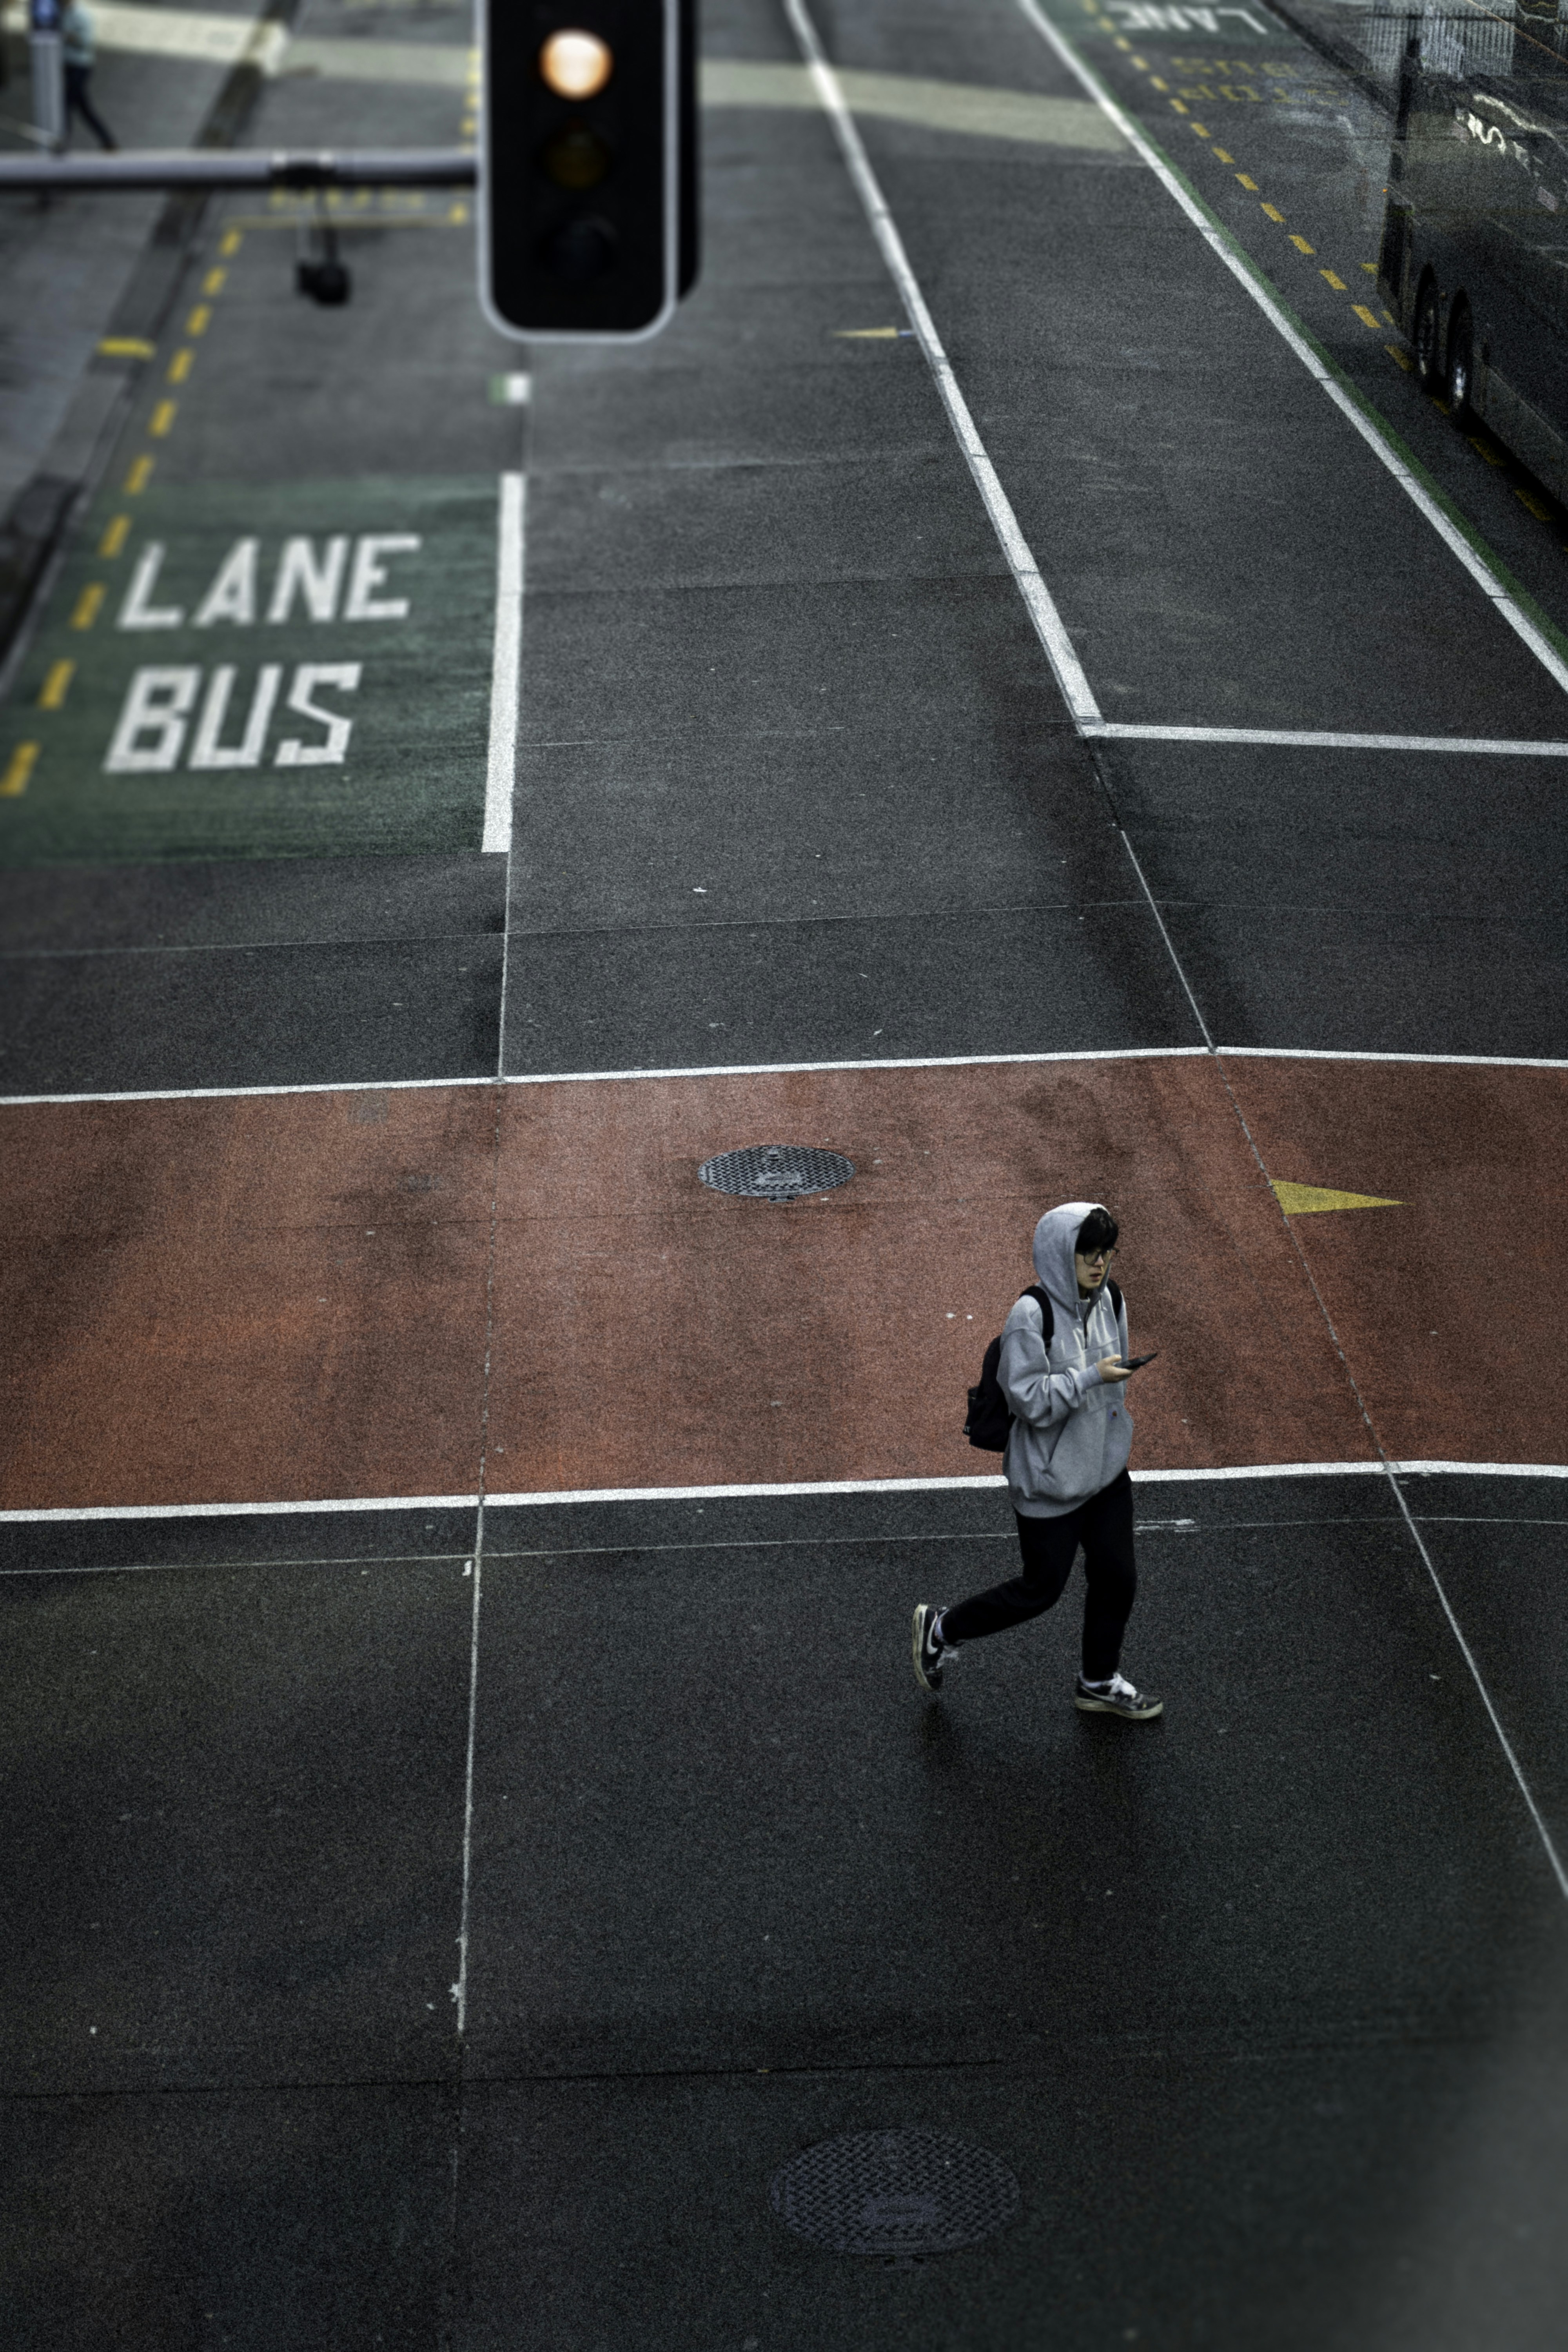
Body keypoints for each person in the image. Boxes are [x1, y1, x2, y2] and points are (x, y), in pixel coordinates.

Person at [912, 1200, 1161, 1719]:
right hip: (1049, 1481)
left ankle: (1097, 1680)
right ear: (1059, 1255)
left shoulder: (1113, 1298)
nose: (1099, 1264)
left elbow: (1110, 1391)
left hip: (1105, 1473)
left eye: (1106, 1254)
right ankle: (941, 1629)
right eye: (1087, 1253)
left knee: (1118, 1577)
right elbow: (1030, 1403)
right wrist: (1093, 1376)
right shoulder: (1031, 1316)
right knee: (1039, 1591)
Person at [62, 2, 118, 151]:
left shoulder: (82, 16)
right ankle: (107, 140)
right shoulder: (62, 14)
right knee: (83, 108)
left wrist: (67, 37)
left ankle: (62, 140)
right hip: (67, 65)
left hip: (80, 66)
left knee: (66, 104)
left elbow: (86, 42)